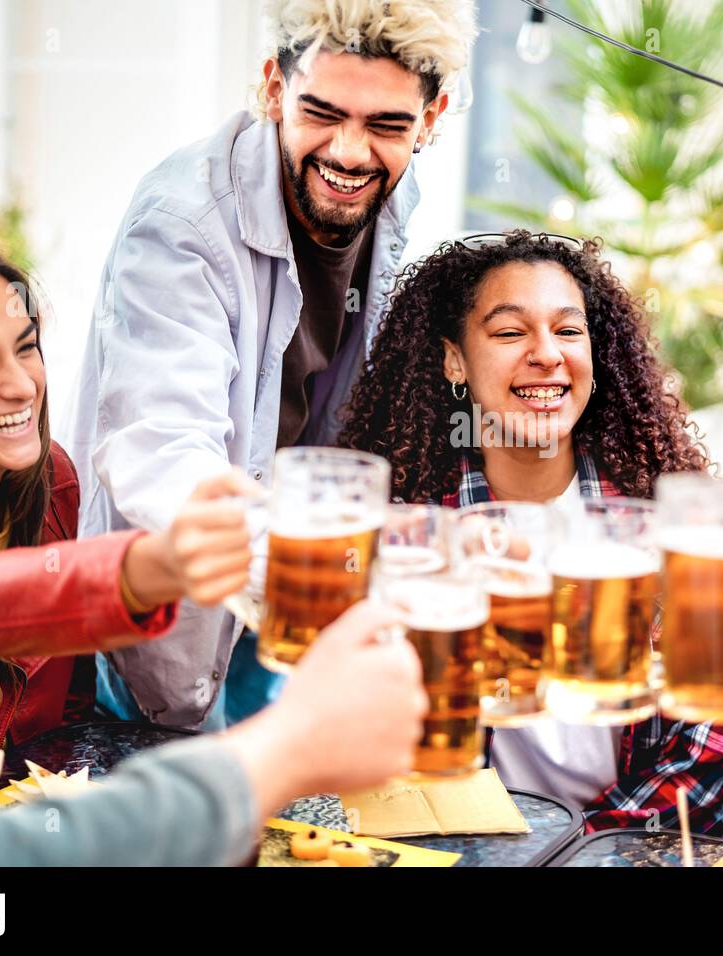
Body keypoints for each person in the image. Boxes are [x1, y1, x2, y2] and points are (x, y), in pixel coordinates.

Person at [0, 234, 426, 866]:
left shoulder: (51, 485)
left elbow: (69, 725)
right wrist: (150, 567)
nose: (20, 386)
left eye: (26, 349)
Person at [60, 0, 478, 731]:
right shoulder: (182, 219)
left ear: (431, 118)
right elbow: (158, 451)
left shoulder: (394, 190)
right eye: (322, 113)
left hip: (285, 614)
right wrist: (319, 573)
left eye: (387, 126)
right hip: (179, 614)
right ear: (273, 88)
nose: (349, 153)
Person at [338, 230, 723, 835]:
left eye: (568, 331)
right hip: (470, 839)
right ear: (454, 358)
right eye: (511, 332)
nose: (547, 354)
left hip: (639, 840)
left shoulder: (667, 521)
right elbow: (365, 724)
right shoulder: (413, 527)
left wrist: (579, 844)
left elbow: (721, 740)